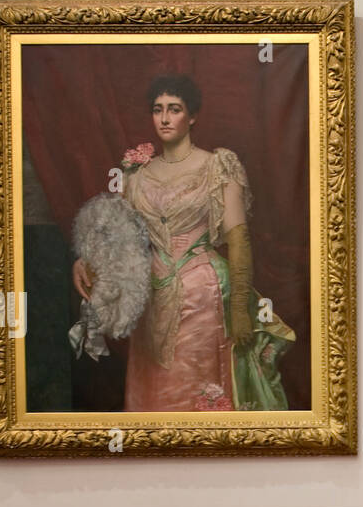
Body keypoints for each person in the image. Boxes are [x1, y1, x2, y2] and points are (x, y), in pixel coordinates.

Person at [74, 74, 294, 412]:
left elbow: (239, 240)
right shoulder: (136, 175)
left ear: (192, 116)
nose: (164, 118)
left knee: (200, 392)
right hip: (148, 300)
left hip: (204, 296)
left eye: (174, 109)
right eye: (157, 109)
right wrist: (86, 260)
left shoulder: (217, 166)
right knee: (154, 397)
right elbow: (121, 239)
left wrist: (238, 310)